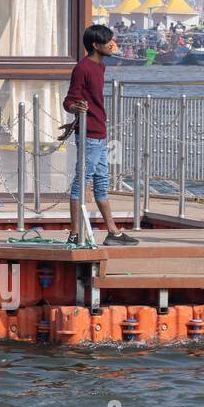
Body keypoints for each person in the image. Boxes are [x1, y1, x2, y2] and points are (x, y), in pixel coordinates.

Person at [63, 24, 139, 247]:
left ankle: (112, 233)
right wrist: (76, 107)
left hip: (100, 133)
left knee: (101, 183)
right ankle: (75, 234)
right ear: (96, 45)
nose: (112, 45)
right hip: (88, 135)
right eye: (108, 42)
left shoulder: (100, 67)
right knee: (81, 183)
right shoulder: (83, 68)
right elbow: (69, 100)